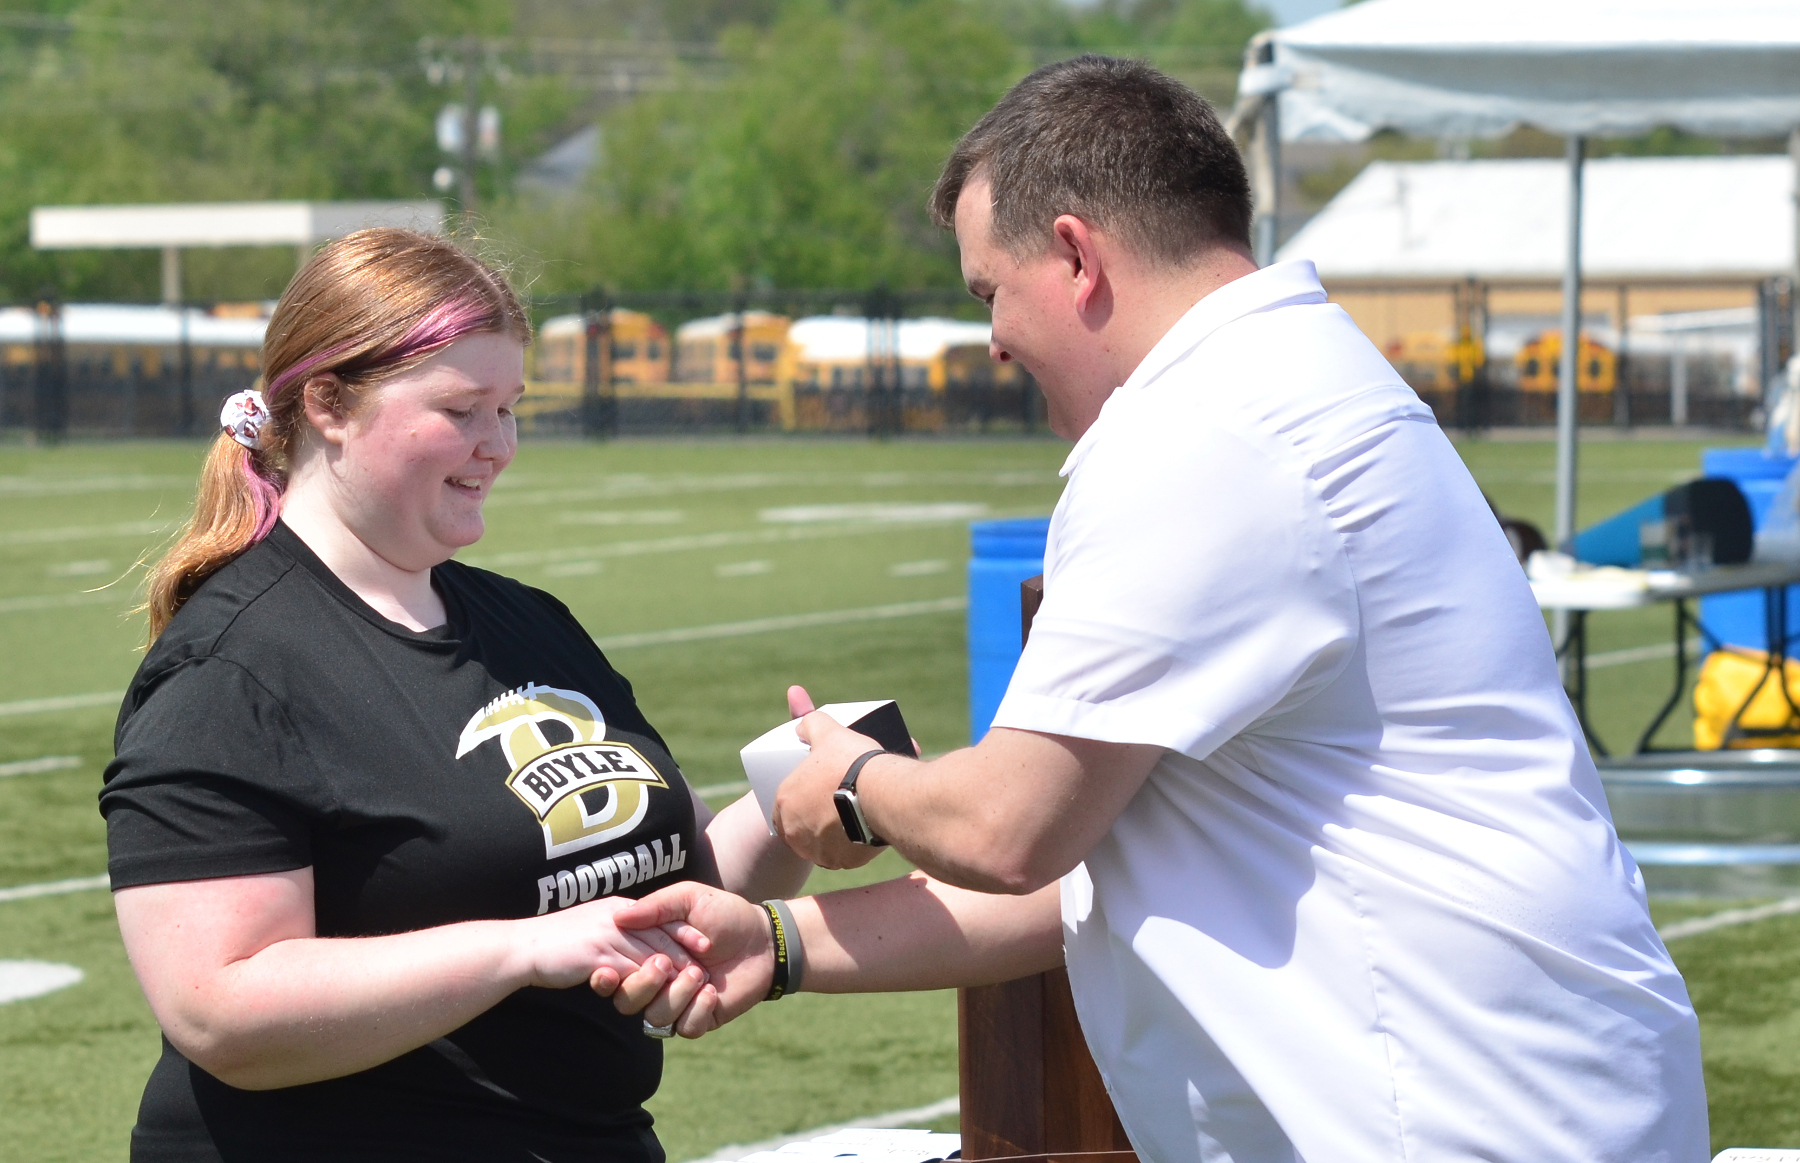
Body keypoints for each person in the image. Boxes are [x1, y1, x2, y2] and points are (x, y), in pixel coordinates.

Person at [607, 56, 1710, 1163]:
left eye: (991, 291)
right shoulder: (1293, 375)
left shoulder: (1200, 430)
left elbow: (1010, 829)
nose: (994, 339)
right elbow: (1092, 865)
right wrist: (779, 940)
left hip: (1450, 1113)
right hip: (1512, 1089)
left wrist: (855, 781)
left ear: (1077, 256)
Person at [101, 228, 809, 1163]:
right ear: (329, 404)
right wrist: (521, 948)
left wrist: (802, 803)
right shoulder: (229, 667)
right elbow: (220, 1008)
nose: (498, 446)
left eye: (510, 409)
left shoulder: (530, 620)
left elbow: (669, 876)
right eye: (462, 409)